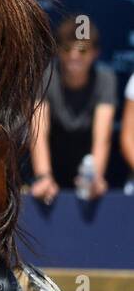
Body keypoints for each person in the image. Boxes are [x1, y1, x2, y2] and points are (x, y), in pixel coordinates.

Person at [29, 16, 118, 203]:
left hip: (87, 167)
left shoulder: (105, 79)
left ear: (95, 53)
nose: (74, 56)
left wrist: (94, 178)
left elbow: (103, 137)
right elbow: (38, 131)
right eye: (67, 49)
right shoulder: (46, 77)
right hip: (51, 165)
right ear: (59, 51)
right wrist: (43, 176)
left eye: (82, 50)